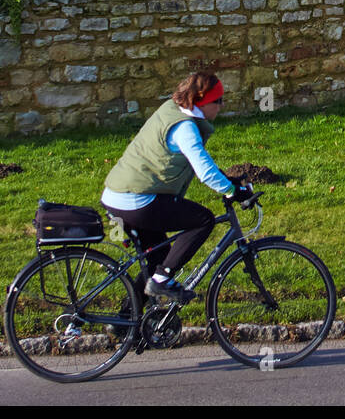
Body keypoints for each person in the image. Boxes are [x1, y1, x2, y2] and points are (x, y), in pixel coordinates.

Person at [102, 69, 253, 303]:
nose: (221, 106)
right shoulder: (185, 128)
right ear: (201, 101)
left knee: (159, 255)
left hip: (118, 195)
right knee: (203, 220)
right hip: (136, 199)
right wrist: (232, 192)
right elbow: (203, 171)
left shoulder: (171, 109)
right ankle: (163, 280)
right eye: (218, 101)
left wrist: (228, 181)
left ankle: (124, 322)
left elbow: (199, 161)